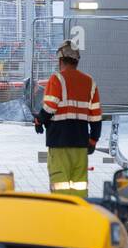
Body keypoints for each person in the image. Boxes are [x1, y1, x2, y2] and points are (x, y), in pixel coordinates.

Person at [34, 40, 102, 197]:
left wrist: (39, 120)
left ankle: (63, 216)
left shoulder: (57, 79)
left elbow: (50, 107)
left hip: (59, 143)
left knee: (60, 185)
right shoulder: (89, 82)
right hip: (81, 143)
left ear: (60, 60)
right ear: (77, 60)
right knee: (79, 185)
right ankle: (79, 216)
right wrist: (93, 140)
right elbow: (96, 116)